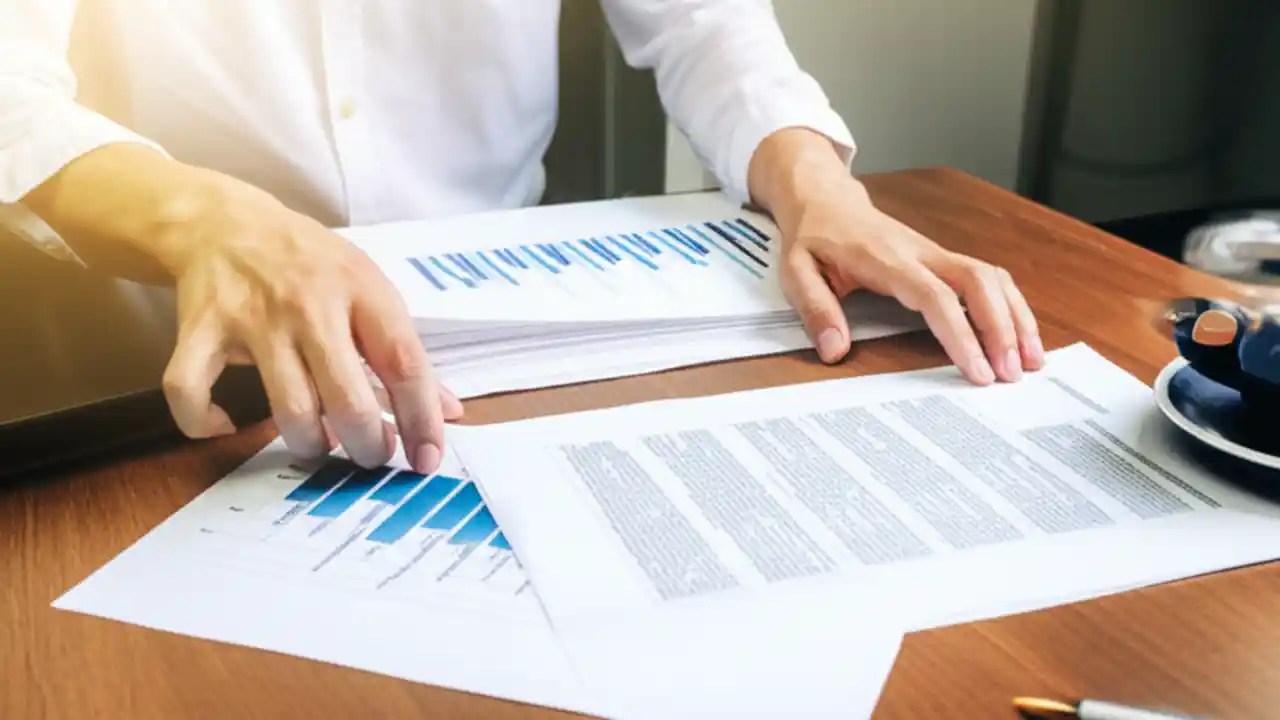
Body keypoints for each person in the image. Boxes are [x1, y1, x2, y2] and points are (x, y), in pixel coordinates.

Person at [0, 1, 1043, 476]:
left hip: (500, 351)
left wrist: (815, 183)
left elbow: (703, 24)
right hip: (175, 371)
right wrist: (207, 216)